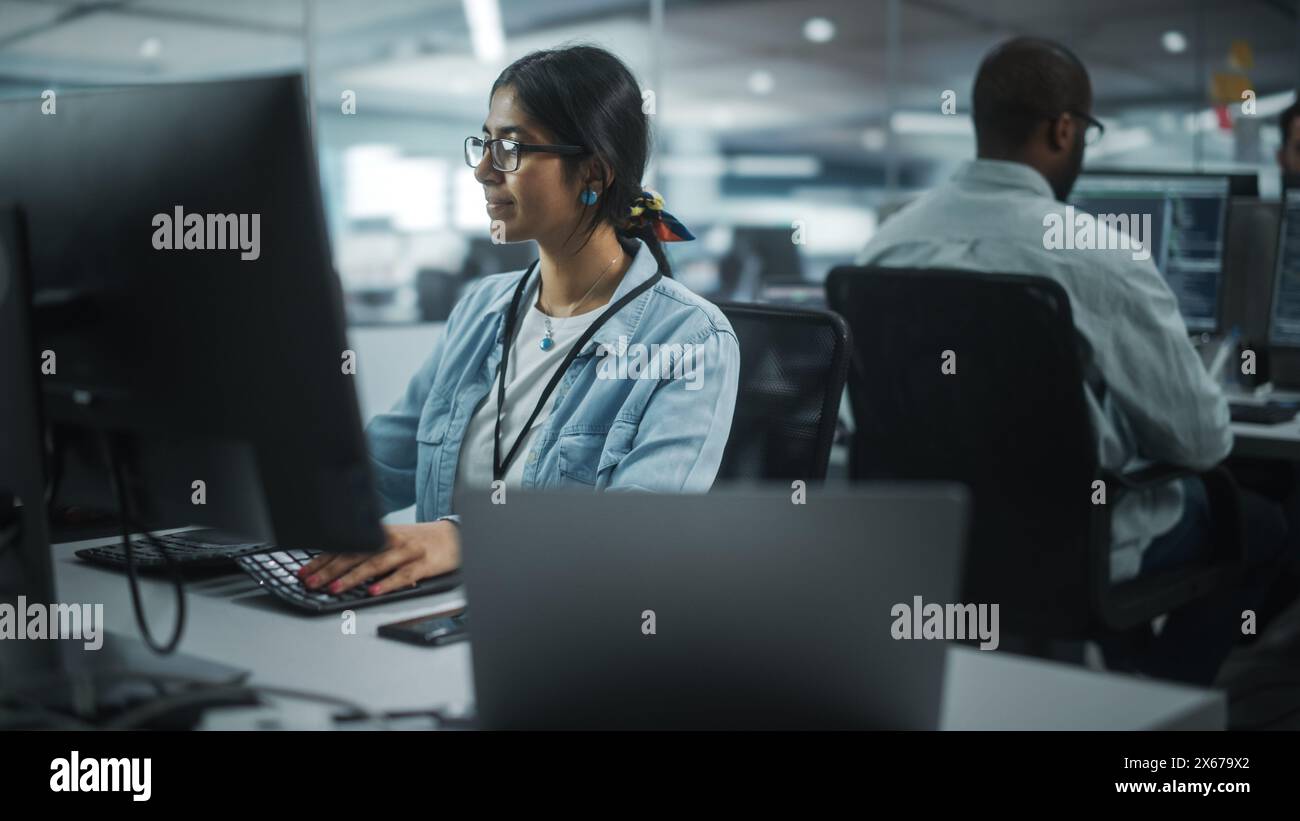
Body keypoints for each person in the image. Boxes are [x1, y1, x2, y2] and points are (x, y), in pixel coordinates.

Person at [856, 36, 1288, 684]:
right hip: (1079, 549)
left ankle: (1117, 679)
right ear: (1064, 129)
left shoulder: (884, 248)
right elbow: (1202, 442)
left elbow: (868, 415)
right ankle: (1156, 705)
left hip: (938, 540)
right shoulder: (1097, 255)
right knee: (1263, 524)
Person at [300, 45, 740, 597]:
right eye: (485, 143)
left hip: (563, 619)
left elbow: (638, 533)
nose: (484, 170)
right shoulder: (481, 308)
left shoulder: (691, 339)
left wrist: (463, 539)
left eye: (510, 147)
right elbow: (379, 469)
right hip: (421, 614)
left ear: (594, 172)